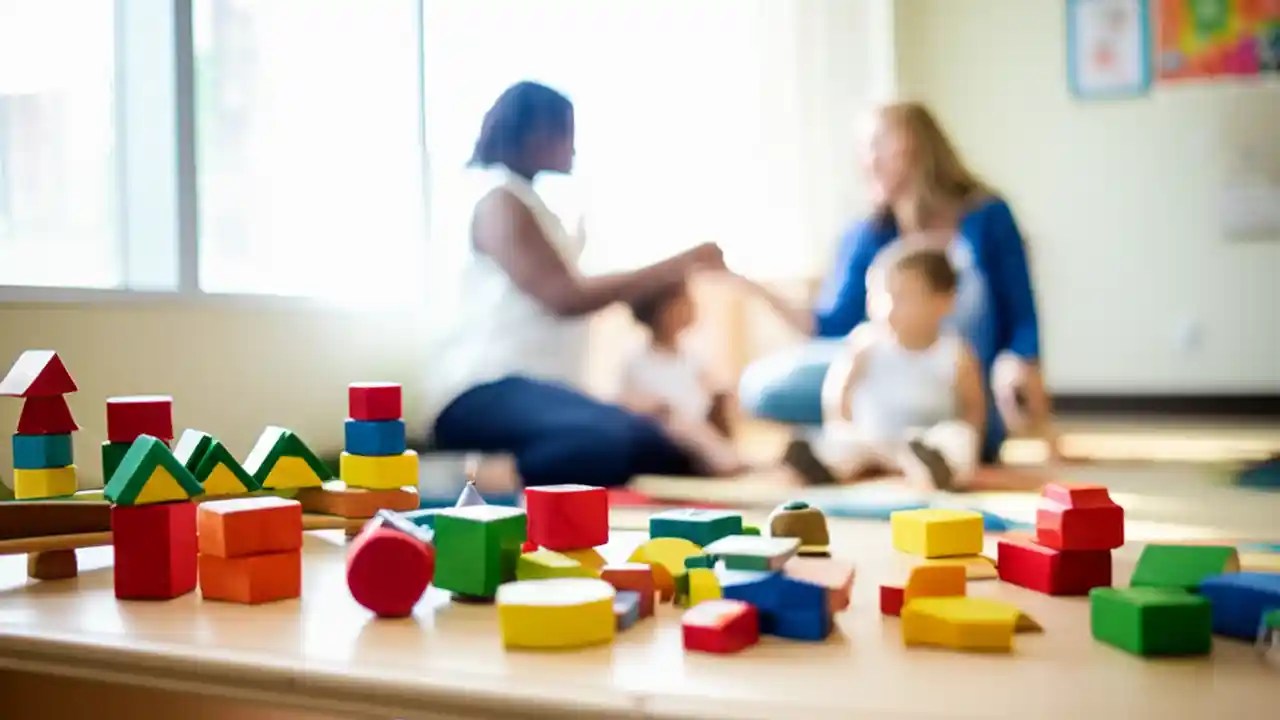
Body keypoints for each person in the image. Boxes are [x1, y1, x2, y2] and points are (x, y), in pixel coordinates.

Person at [425, 81, 733, 488]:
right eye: (567, 133)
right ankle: (465, 478)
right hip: (486, 393)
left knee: (655, 443)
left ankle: (501, 471)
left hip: (542, 393)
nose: (573, 147)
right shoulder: (499, 201)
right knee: (610, 442)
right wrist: (682, 262)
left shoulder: (531, 205)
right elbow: (565, 296)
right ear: (536, 132)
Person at [737, 101, 1057, 464]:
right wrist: (751, 285)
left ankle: (925, 449)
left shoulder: (987, 217)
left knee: (966, 438)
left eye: (878, 144)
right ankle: (872, 446)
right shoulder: (867, 233)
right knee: (762, 385)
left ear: (917, 143)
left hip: (960, 382)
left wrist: (1016, 361)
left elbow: (1022, 316)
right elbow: (832, 326)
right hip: (887, 384)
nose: (867, 160)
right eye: (863, 149)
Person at [781, 245, 985, 489]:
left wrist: (971, 439)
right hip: (870, 442)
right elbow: (838, 393)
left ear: (943, 302)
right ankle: (820, 465)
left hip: (925, 443)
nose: (887, 307)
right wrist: (842, 426)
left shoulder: (954, 353)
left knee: (958, 439)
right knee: (840, 443)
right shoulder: (866, 344)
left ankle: (937, 470)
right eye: (879, 296)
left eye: (903, 298)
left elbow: (973, 410)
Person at [619, 280, 745, 474]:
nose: (692, 305)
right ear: (662, 311)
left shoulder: (693, 359)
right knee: (671, 417)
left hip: (696, 431)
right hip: (664, 436)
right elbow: (626, 405)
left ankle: (724, 457)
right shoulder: (636, 362)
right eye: (683, 301)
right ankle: (724, 459)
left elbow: (713, 392)